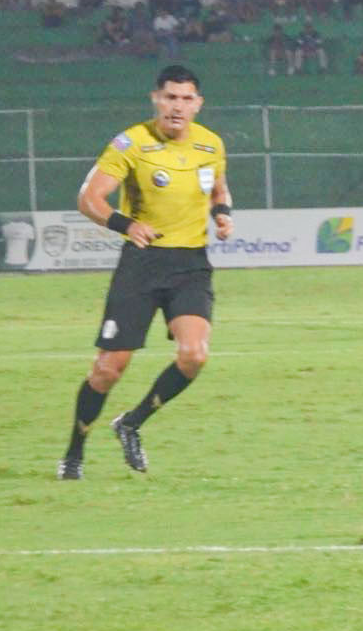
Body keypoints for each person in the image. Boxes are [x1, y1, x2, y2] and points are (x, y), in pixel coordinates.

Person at [57, 65, 232, 479]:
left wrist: (222, 214)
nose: (178, 106)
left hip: (190, 264)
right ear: (156, 99)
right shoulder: (130, 143)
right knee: (108, 369)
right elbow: (89, 198)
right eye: (170, 97)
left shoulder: (211, 144)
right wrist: (126, 224)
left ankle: (131, 423)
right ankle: (74, 453)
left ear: (198, 104)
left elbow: (219, 188)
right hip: (142, 264)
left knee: (194, 355)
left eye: (187, 99)